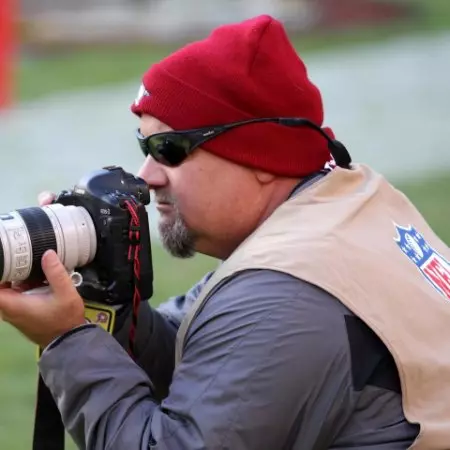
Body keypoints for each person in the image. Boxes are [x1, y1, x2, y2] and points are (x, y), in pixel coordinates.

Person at [1, 14, 450, 450]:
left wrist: (67, 339)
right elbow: (211, 362)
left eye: (169, 149)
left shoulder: (283, 296)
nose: (147, 175)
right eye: (145, 146)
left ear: (260, 156)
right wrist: (107, 303)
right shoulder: (346, 203)